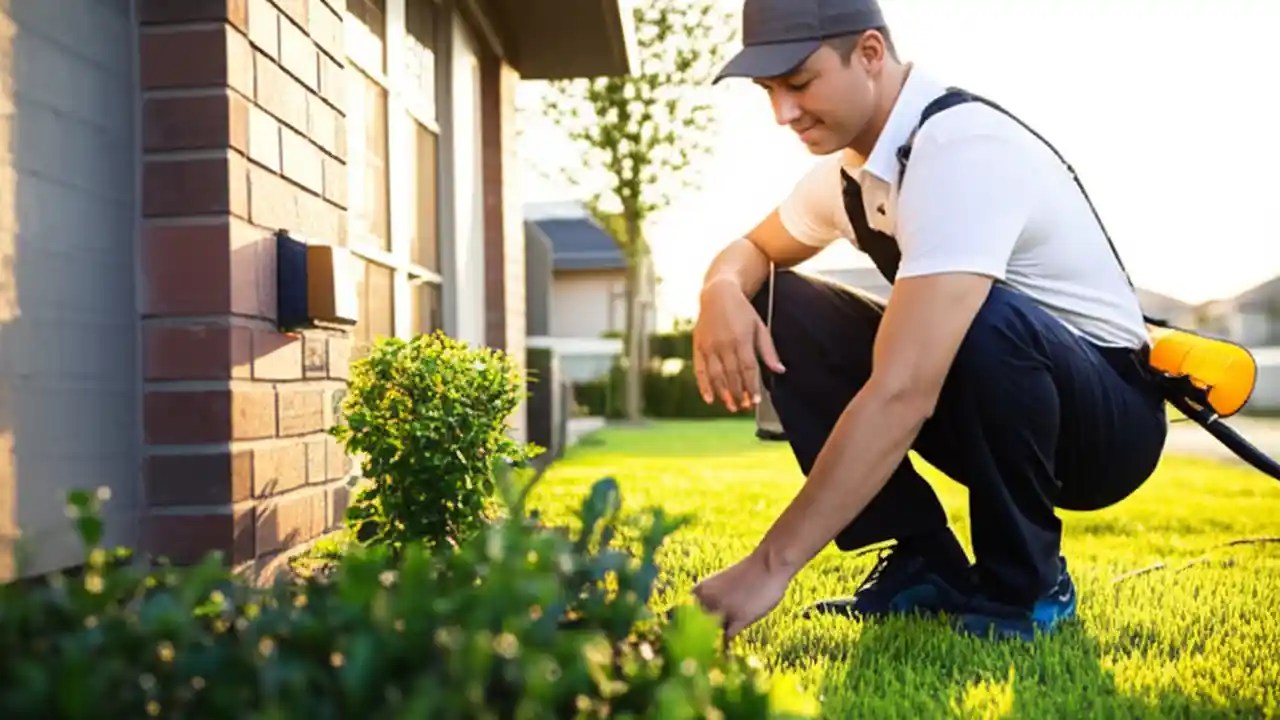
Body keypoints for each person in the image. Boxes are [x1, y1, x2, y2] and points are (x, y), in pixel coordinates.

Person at [688, 0, 1169, 642]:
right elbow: (752, 250)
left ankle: (1024, 586)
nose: (784, 113)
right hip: (988, 396)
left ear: (869, 53)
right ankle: (925, 561)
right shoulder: (849, 178)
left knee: (983, 314)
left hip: (1106, 424)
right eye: (768, 91)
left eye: (799, 83)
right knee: (782, 301)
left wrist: (768, 567)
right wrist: (720, 289)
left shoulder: (960, 148)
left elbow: (904, 388)